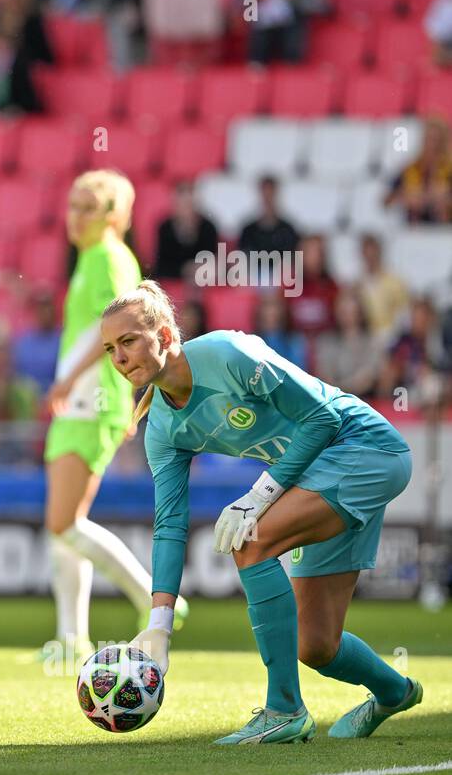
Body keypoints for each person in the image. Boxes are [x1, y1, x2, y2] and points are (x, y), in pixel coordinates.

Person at [104, 280, 420, 743]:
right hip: (318, 479)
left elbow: (323, 418)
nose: (119, 358)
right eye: (111, 348)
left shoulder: (230, 354)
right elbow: (169, 524)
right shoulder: (162, 430)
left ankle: (284, 711)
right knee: (317, 646)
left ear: (166, 337)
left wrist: (259, 495)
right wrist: (159, 625)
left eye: (129, 341)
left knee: (251, 539)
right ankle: (395, 692)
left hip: (366, 450)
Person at [42, 170, 188, 661]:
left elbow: (114, 332)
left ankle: (155, 597)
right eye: (72, 205)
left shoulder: (108, 258)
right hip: (80, 400)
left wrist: (72, 380)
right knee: (65, 526)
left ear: (114, 217)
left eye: (87, 207)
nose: (74, 216)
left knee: (64, 522)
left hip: (93, 399)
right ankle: (69, 640)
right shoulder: (91, 258)